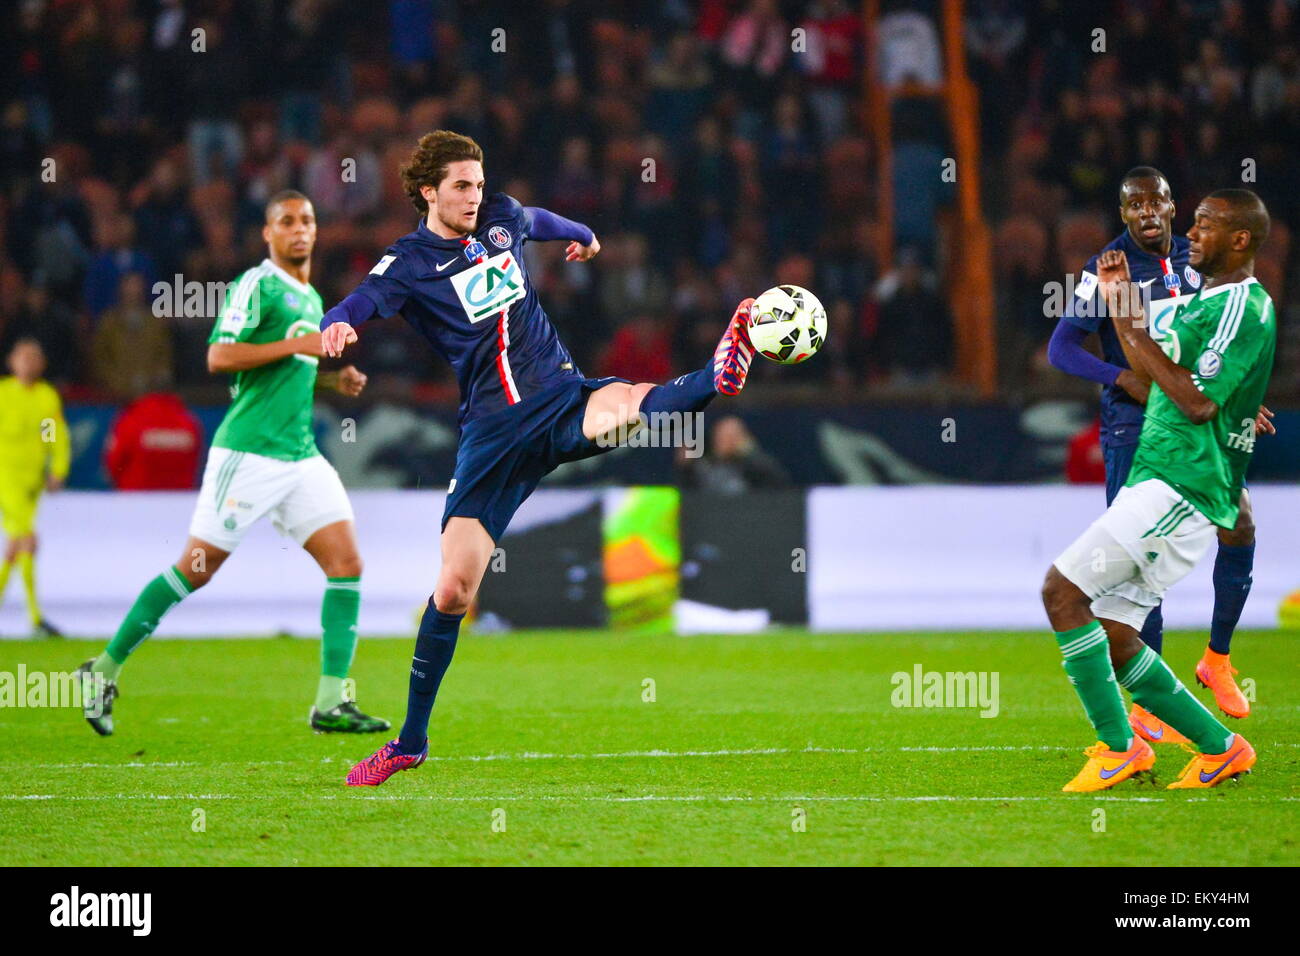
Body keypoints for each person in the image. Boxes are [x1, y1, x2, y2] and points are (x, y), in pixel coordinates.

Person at [320, 131, 755, 786]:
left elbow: (539, 220)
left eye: (478, 181)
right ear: (428, 191)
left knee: (631, 405)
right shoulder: (408, 263)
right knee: (454, 588)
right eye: (461, 185)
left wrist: (584, 233)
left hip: (557, 399)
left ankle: (716, 376)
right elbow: (363, 299)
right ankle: (410, 742)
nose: (475, 195)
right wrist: (340, 321)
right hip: (492, 436)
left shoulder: (501, 217)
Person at [77, 191, 388, 737]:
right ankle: (101, 670)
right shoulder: (258, 284)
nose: (299, 230)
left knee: (347, 564)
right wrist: (305, 347)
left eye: (308, 221)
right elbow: (221, 356)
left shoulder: (311, 297)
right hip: (247, 454)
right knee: (195, 570)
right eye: (286, 222)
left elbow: (285, 370)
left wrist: (332, 378)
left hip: (300, 456)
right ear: (267, 234)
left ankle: (331, 701)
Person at [1041, 189, 1275, 792]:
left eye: (1202, 224)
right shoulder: (1204, 302)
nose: (1189, 233)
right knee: (1117, 635)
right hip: (1160, 473)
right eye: (1191, 222)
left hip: (1183, 486)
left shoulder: (1239, 304)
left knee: (1062, 593)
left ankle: (1121, 747)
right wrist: (1122, 314)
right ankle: (1222, 748)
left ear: (1240, 240)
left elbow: (1195, 401)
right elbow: (1156, 368)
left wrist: (1126, 318)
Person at [0, 338, 69, 637]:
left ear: (42, 364)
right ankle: (35, 616)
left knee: (17, 547)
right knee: (28, 539)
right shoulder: (3, 395)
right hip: (5, 479)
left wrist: (57, 469)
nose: (29, 362)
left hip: (31, 484)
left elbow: (53, 436)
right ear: (12, 362)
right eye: (23, 356)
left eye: (35, 357)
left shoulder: (46, 397)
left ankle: (34, 617)